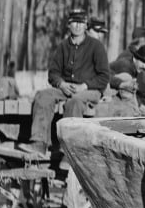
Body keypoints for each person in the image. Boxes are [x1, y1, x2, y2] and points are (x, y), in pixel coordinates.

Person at [21, 9, 110, 154]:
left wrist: (85, 86)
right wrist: (61, 84)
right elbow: (53, 73)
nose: (77, 26)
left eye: (81, 23)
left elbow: (104, 76)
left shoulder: (96, 46)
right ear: (68, 25)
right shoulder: (63, 46)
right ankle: (39, 143)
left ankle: (69, 151)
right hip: (66, 88)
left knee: (74, 102)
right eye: (74, 22)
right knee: (43, 96)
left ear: (86, 26)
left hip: (90, 90)